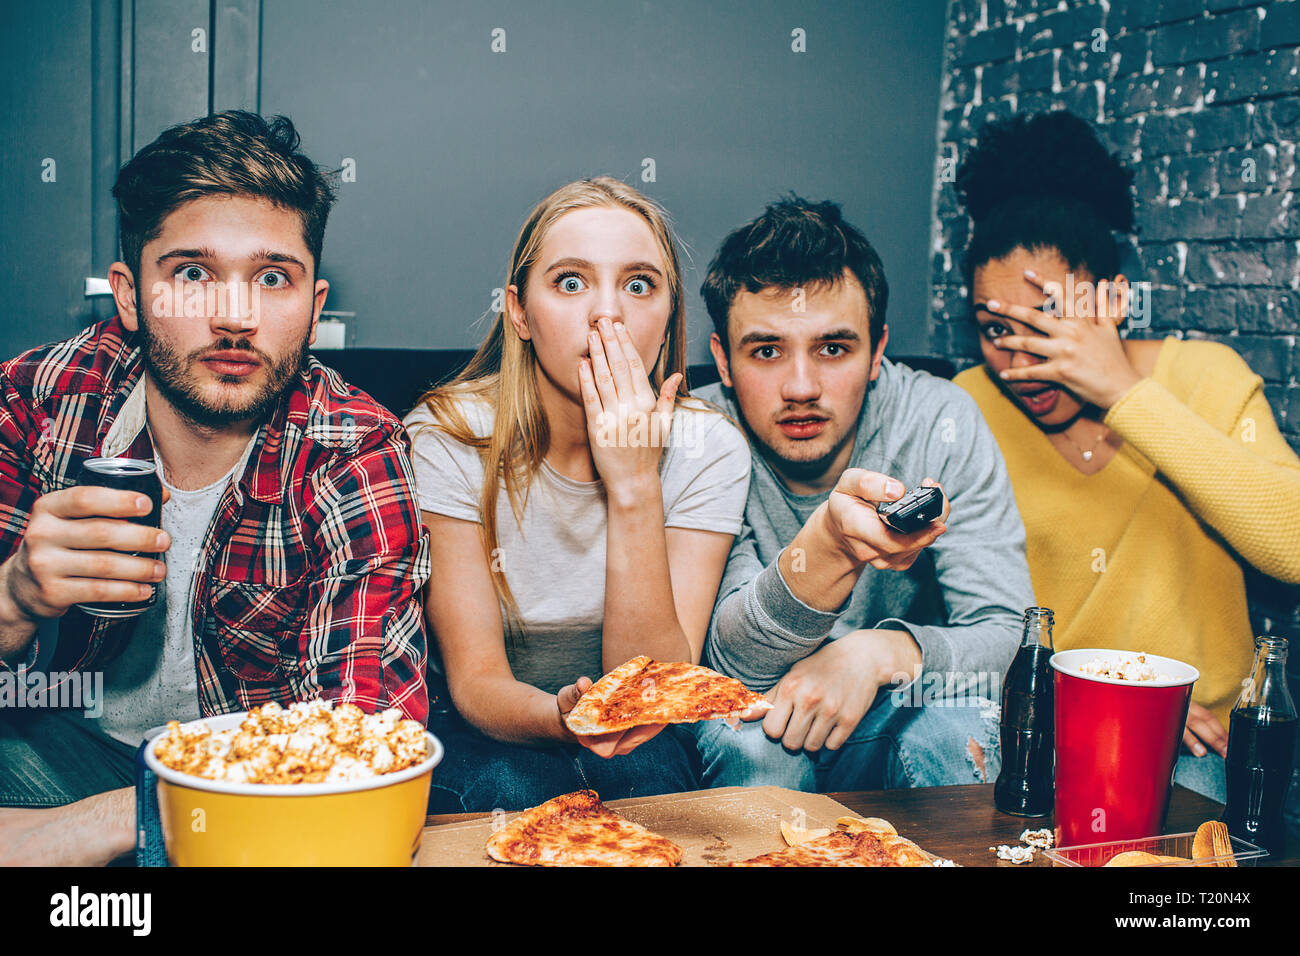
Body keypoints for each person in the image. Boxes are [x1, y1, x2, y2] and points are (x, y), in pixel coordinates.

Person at [0, 111, 430, 864]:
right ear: (131, 297)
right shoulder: (41, 398)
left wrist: (116, 824)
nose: (236, 317)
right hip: (54, 756)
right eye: (193, 273)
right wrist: (14, 602)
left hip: (247, 806)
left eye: (272, 278)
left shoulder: (355, 453)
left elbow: (360, 752)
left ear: (314, 305)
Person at [951, 110, 1300, 801]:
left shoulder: (1204, 377)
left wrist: (1124, 393)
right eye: (995, 331)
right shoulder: (970, 401)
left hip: (1190, 739)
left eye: (1044, 325)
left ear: (1112, 300)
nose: (1019, 364)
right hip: (1026, 722)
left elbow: (1292, 543)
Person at [405, 177, 752, 812]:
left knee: (646, 790)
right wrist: (564, 718)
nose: (606, 314)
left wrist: (635, 486)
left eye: (638, 284)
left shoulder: (710, 449)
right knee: (514, 792)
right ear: (518, 312)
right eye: (571, 283)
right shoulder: (446, 437)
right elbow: (477, 682)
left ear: (669, 314)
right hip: (489, 725)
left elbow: (656, 689)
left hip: (642, 737)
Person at [687, 196, 1034, 792]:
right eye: (767, 351)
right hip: (752, 710)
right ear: (721, 359)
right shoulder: (699, 436)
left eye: (833, 349)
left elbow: (1011, 639)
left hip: (894, 709)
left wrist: (880, 654)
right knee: (758, 747)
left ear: (877, 353)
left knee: (955, 736)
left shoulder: (938, 420)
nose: (801, 387)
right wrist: (834, 547)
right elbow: (730, 662)